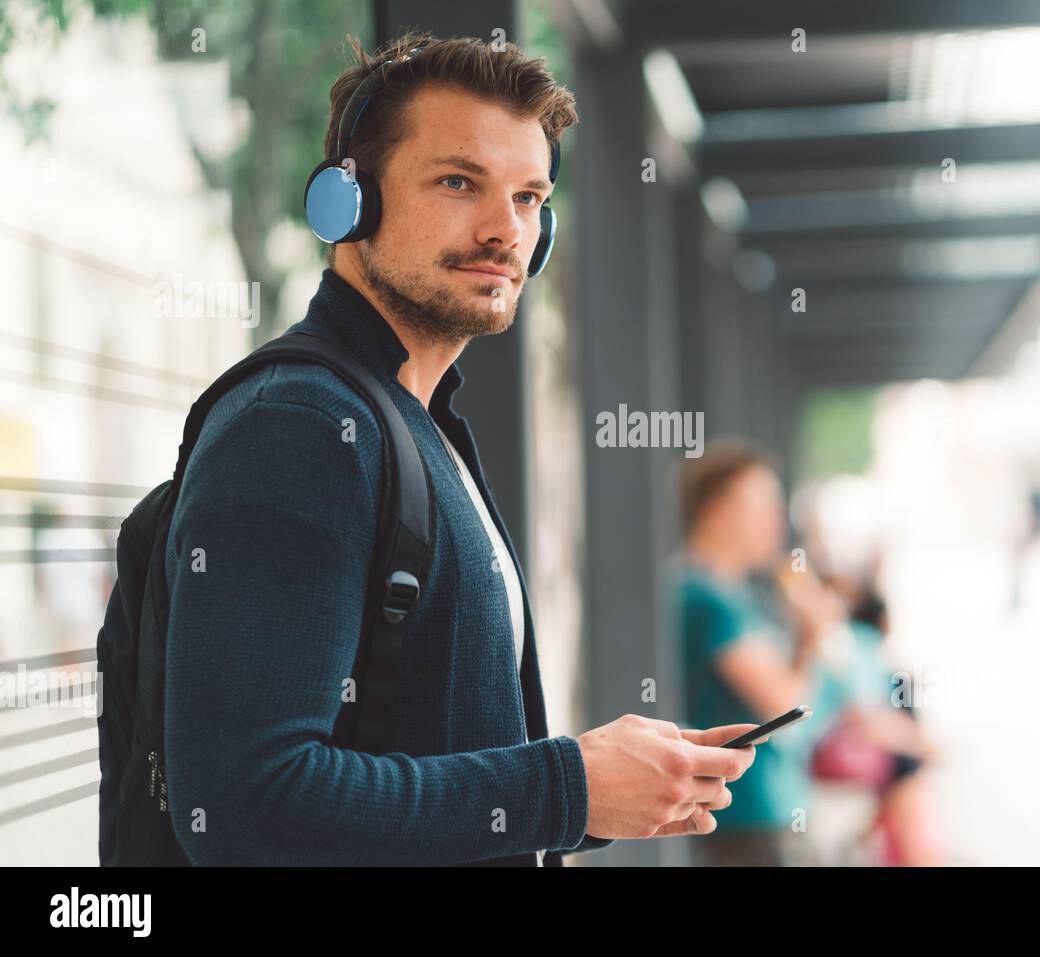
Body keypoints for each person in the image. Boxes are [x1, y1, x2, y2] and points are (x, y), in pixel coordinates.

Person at [162, 32, 757, 866]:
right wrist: (565, 786)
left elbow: (432, 754)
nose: (504, 231)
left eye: (527, 198)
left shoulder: (420, 425)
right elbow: (244, 806)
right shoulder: (301, 423)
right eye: (458, 182)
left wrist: (603, 787)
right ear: (348, 203)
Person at [672, 439, 851, 866]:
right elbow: (786, 707)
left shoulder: (739, 594)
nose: (775, 523)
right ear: (717, 510)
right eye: (761, 507)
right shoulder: (705, 597)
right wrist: (810, 639)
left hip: (765, 811)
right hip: (747, 818)